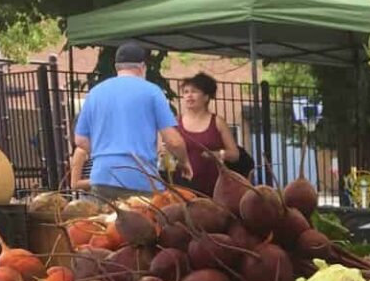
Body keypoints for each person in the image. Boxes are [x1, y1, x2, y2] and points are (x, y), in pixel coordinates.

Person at [69, 42, 192, 201]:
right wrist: (184, 161)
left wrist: (106, 153)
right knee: (144, 223)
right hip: (140, 178)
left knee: (105, 224)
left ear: (116, 67)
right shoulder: (152, 92)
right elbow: (173, 141)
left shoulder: (94, 93)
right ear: (142, 67)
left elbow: (80, 139)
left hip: (103, 177)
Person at [175, 72, 241, 196]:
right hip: (182, 186)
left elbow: (235, 154)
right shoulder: (175, 122)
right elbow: (164, 152)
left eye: (194, 91)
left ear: (206, 96)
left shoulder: (217, 122)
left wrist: (218, 154)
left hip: (214, 186)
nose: (189, 95)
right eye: (185, 92)